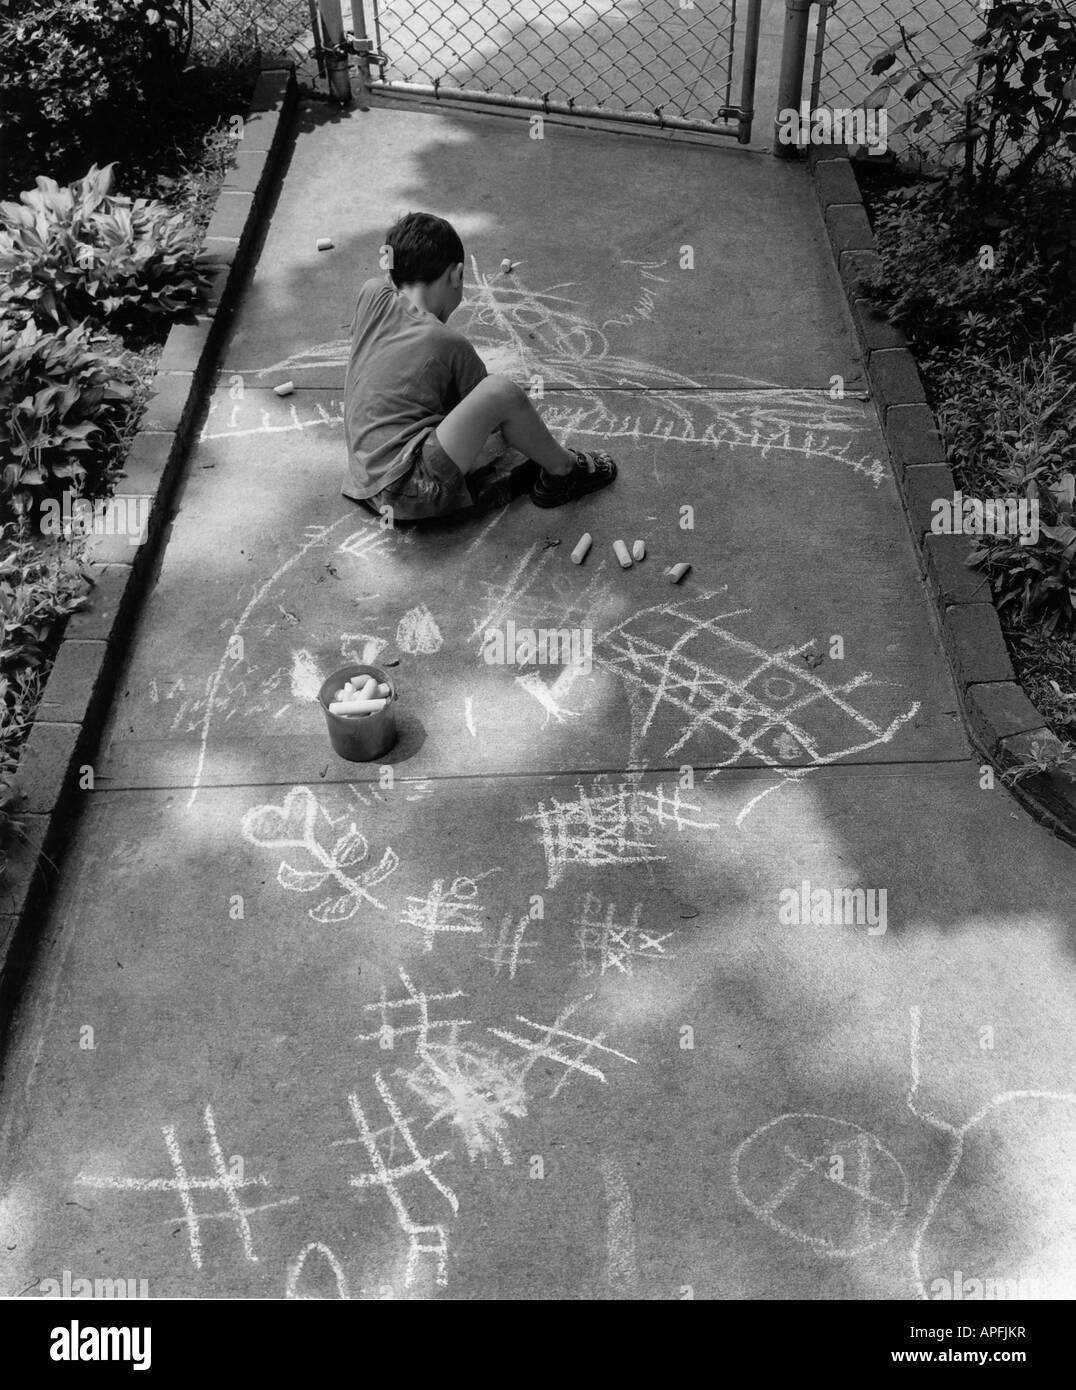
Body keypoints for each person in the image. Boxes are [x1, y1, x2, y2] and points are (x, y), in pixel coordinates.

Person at [342, 212, 617, 521]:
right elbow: (496, 420)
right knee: (501, 394)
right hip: (408, 488)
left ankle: (496, 480)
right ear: (457, 275)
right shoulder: (448, 343)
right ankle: (565, 469)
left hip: (362, 475)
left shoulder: (371, 295)